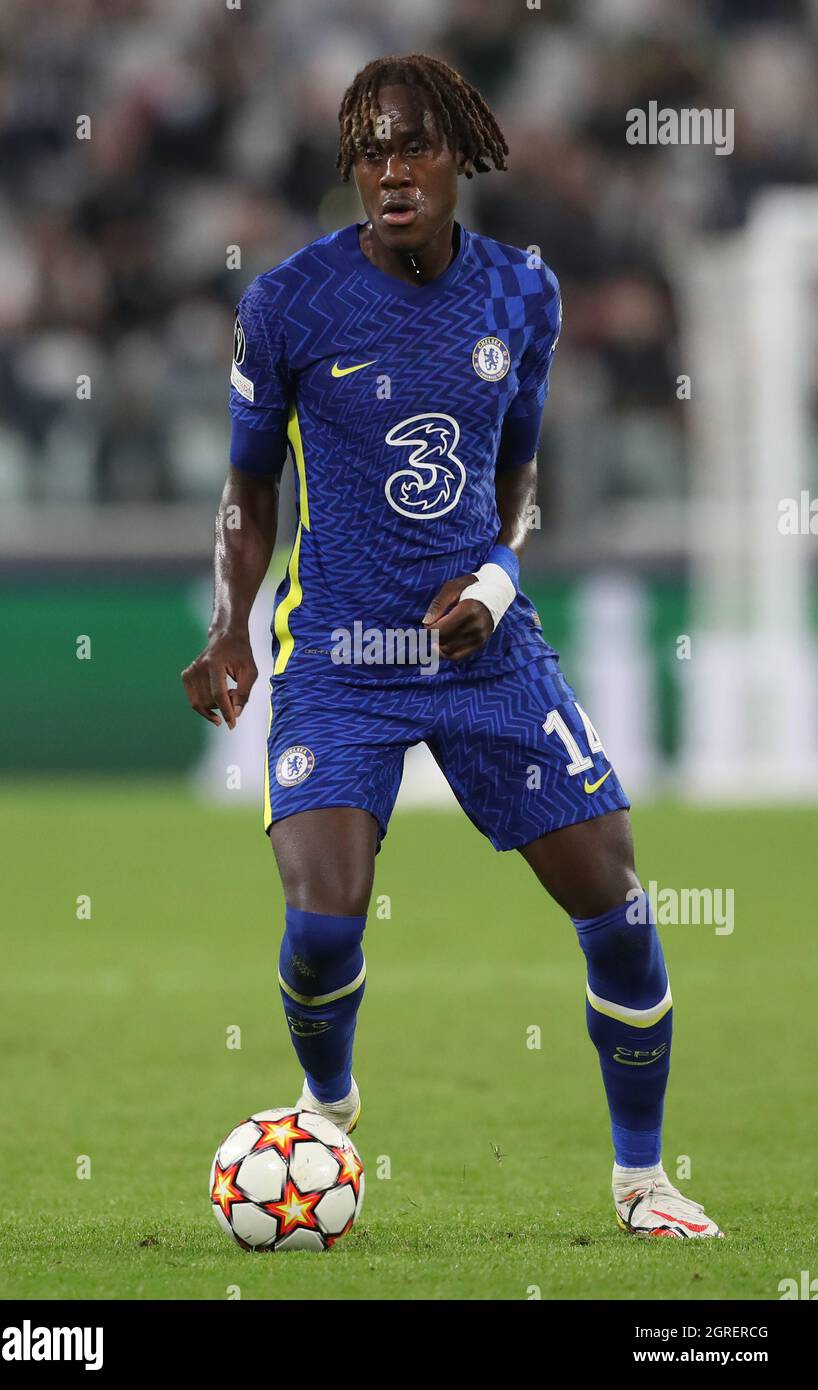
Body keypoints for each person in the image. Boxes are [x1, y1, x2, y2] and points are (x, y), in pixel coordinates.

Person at [183, 53, 722, 1238]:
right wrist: (229, 628)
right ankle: (327, 1100)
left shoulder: (523, 293)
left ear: (458, 158)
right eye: (369, 151)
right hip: (338, 652)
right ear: (350, 166)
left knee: (619, 908)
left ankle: (641, 1180)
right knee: (321, 926)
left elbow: (520, 469)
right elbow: (245, 487)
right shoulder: (287, 303)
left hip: (485, 653)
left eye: (413, 147)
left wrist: (497, 568)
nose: (391, 170)